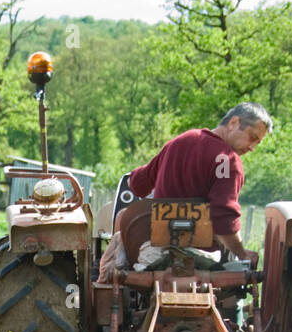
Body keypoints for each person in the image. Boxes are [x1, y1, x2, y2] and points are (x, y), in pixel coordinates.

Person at [105, 103, 272, 273]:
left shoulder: (178, 142)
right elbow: (224, 219)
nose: (252, 148)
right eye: (252, 138)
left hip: (155, 250)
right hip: (203, 257)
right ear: (233, 123)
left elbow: (138, 185)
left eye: (257, 143)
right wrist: (242, 253)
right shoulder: (229, 160)